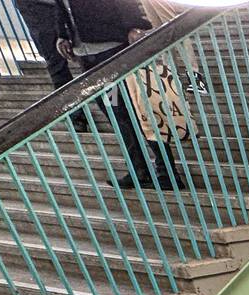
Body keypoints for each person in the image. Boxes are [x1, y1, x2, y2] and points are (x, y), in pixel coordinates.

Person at [55, 0, 178, 189]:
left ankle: (167, 172)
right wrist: (62, 35)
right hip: (89, 60)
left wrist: (133, 25)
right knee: (117, 113)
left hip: (113, 52)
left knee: (139, 109)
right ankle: (139, 170)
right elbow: (61, 6)